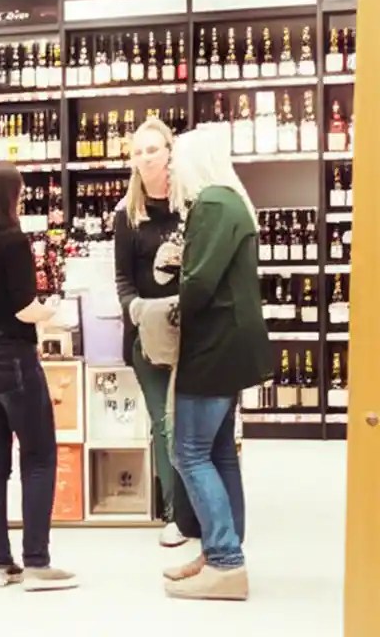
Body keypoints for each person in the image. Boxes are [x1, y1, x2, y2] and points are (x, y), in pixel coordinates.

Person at [0, 161, 76, 591]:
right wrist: (57, 311)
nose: (22, 200)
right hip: (12, 357)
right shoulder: (14, 242)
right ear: (5, 199)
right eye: (19, 194)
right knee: (40, 455)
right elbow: (24, 306)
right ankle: (37, 563)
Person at [164, 128, 271, 601]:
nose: (171, 169)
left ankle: (226, 561)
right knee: (221, 451)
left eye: (175, 161)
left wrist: (173, 297)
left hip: (212, 346)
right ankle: (220, 549)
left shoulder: (209, 203)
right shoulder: (235, 202)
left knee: (188, 452)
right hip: (237, 345)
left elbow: (200, 285)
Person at [114, 117, 197, 549]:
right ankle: (175, 515)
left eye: (153, 149)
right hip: (148, 339)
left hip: (193, 333)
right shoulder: (127, 216)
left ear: (169, 152)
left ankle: (194, 503)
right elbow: (123, 283)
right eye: (138, 151)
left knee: (190, 423)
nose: (145, 157)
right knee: (165, 423)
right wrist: (140, 310)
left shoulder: (192, 206)